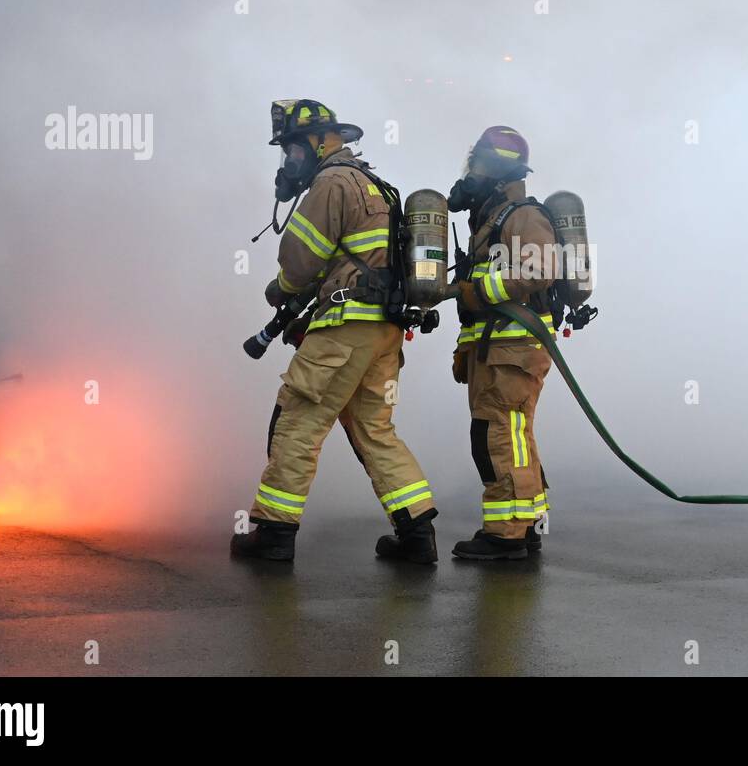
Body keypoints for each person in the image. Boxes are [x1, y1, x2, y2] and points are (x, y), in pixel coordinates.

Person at [231, 99, 438, 564]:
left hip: (344, 329)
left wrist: (279, 291)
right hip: (383, 332)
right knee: (374, 430)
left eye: (293, 149)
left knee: (297, 422)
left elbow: (301, 262)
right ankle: (417, 534)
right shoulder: (377, 186)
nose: (289, 160)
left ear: (322, 141)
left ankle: (274, 533)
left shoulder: (331, 183)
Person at [447, 126, 558, 561]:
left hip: (513, 349)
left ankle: (505, 533)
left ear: (492, 171)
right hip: (499, 348)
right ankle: (526, 524)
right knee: (513, 434)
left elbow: (540, 269)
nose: (468, 174)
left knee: (496, 434)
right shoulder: (495, 217)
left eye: (474, 165)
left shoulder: (522, 215)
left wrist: (478, 292)